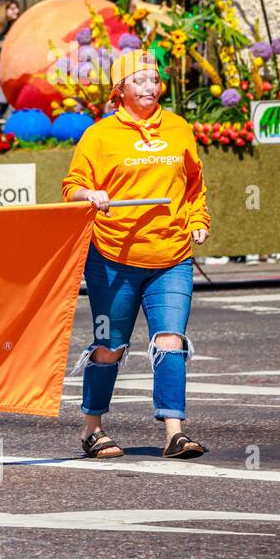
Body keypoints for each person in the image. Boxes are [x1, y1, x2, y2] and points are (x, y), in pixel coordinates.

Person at [63, 49, 209, 461]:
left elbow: (195, 184)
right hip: (112, 257)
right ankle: (93, 428)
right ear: (120, 89)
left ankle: (174, 432)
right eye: (140, 81)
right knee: (109, 344)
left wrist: (198, 218)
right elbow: (71, 185)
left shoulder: (178, 128)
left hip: (171, 255)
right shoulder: (99, 135)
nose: (149, 88)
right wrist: (90, 194)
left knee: (170, 340)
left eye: (154, 80)